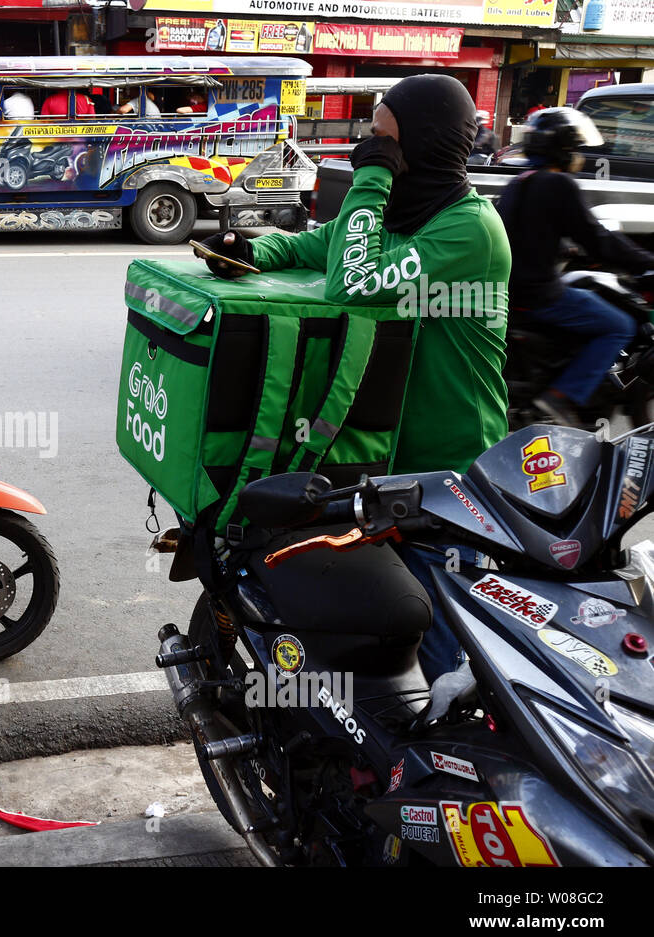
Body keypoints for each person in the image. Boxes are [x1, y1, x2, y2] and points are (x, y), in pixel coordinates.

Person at [197, 74, 512, 682]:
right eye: (371, 143)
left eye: (384, 142)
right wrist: (249, 250)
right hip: (382, 459)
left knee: (448, 647)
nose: (372, 152)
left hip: (453, 472)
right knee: (383, 617)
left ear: (422, 145)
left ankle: (452, 764)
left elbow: (352, 282)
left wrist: (369, 177)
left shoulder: (469, 229)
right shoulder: (398, 214)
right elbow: (321, 246)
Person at [497, 107, 654, 426]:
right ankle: (563, 396)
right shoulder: (559, 185)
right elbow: (597, 238)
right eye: (575, 149)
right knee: (619, 325)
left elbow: (531, 231)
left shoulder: (520, 183)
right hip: (539, 295)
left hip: (512, 290)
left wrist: (565, 246)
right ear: (563, 150)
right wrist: (646, 261)